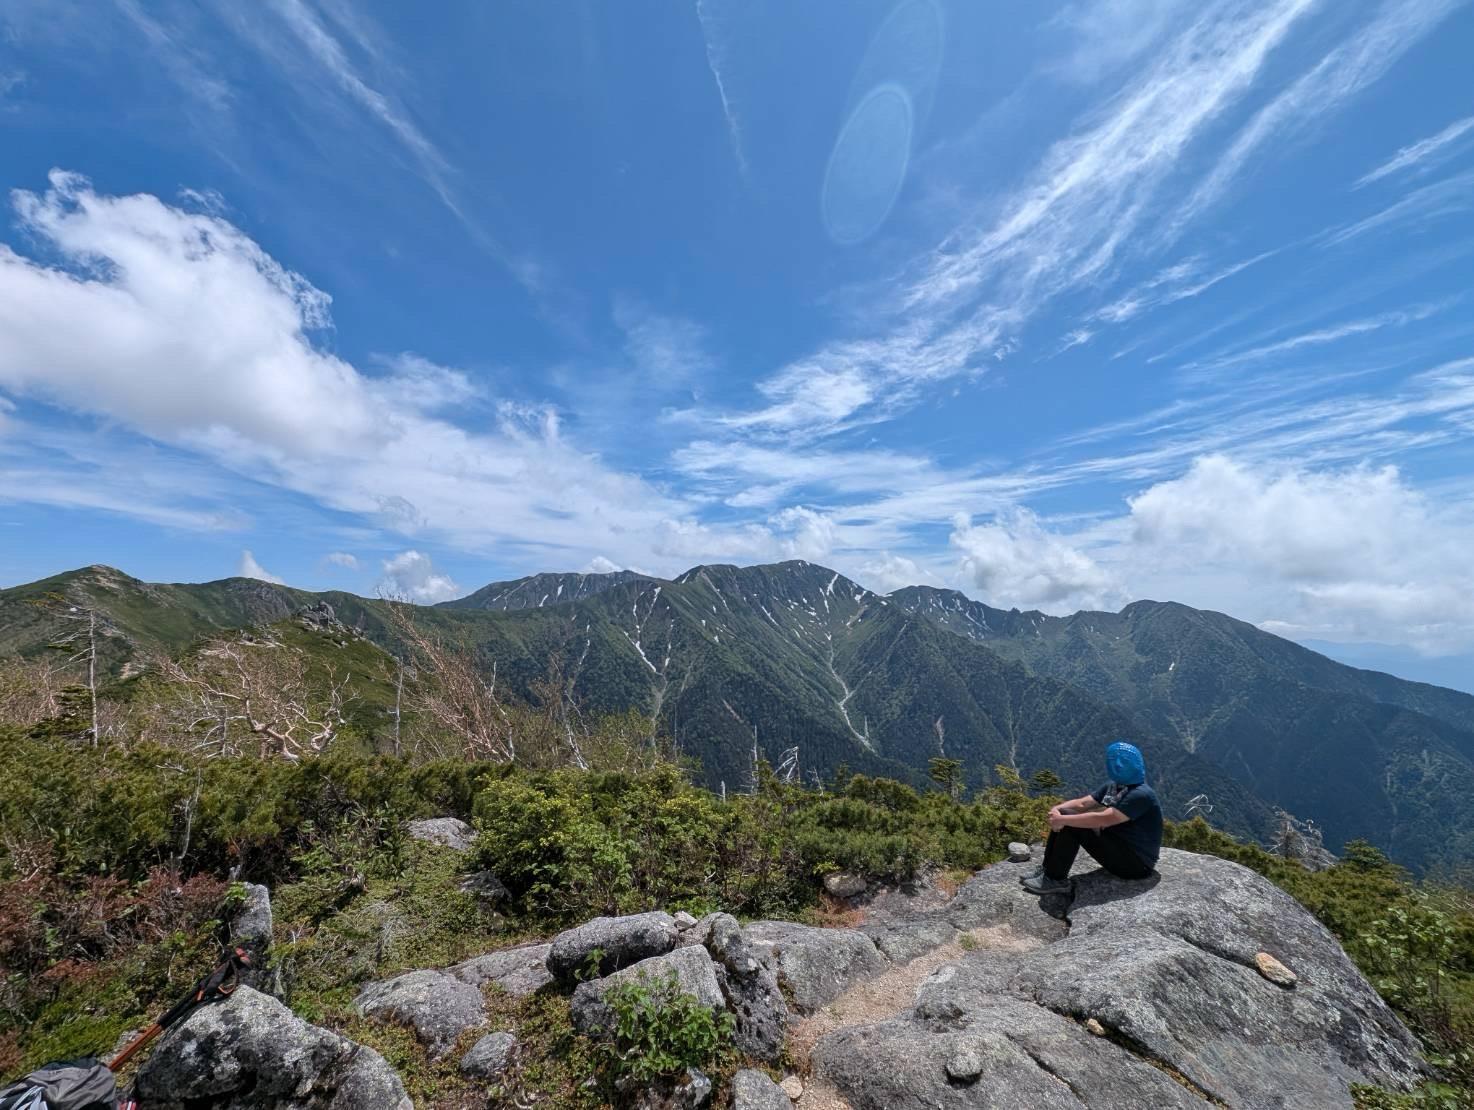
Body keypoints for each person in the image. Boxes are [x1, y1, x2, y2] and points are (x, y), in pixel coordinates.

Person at [1021, 740, 1162, 895]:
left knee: (1069, 822)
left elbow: (1103, 819)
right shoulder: (1115, 786)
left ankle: (1055, 879)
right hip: (1121, 847)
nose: (1117, 765)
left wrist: (1062, 819)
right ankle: (1047, 870)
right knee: (1065, 814)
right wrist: (1057, 809)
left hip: (1136, 865)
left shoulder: (1140, 794)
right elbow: (1083, 804)